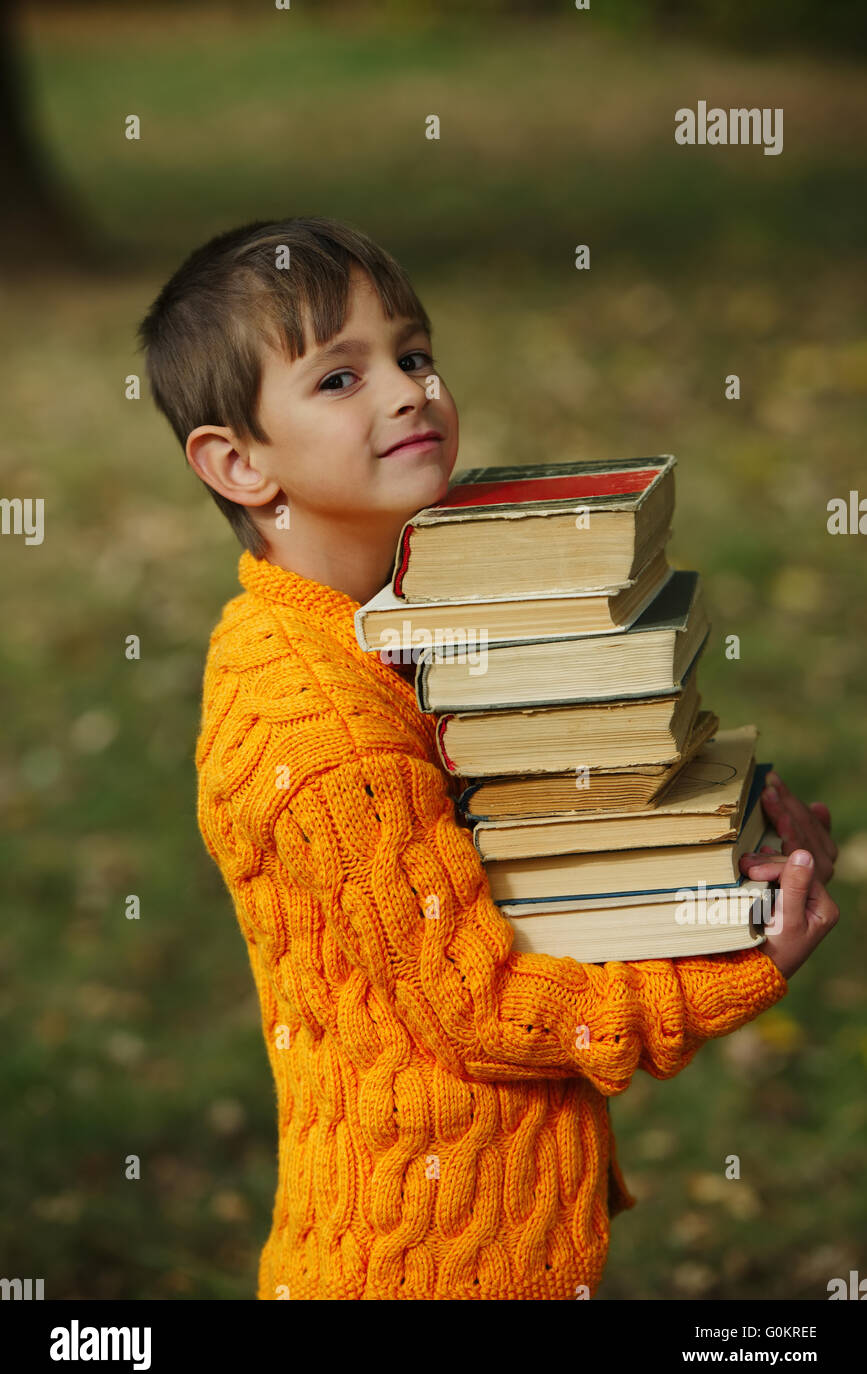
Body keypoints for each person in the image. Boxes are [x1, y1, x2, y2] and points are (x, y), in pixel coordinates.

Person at [137, 215, 840, 1301]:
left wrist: (707, 889)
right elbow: (487, 1005)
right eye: (340, 379)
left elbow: (513, 883)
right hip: (419, 1267)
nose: (409, 391)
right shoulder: (314, 722)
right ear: (238, 462)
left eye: (413, 355)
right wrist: (743, 967)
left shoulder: (390, 624)